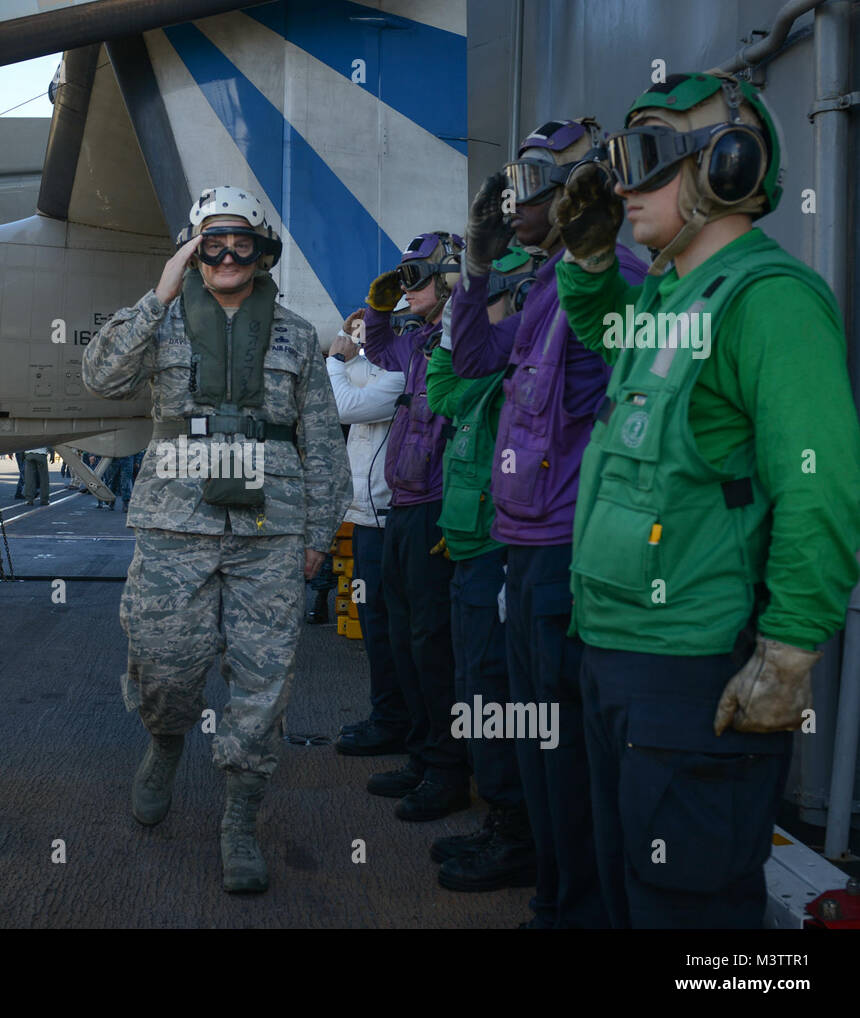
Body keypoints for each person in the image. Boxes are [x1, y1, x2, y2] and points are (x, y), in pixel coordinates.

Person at [552, 72, 860, 928]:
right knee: (632, 891)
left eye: (645, 158)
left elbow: (820, 482)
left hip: (691, 675)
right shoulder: (669, 293)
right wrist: (585, 261)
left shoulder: (771, 302)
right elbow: (605, 337)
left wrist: (791, 650)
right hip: (617, 654)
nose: (620, 185)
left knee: (690, 914)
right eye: (617, 161)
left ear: (726, 166)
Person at [81, 185, 350, 892]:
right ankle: (165, 741)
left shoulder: (295, 334)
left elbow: (320, 439)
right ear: (192, 248)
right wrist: (157, 293)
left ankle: (239, 819)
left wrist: (319, 531)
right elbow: (102, 377)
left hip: (271, 529)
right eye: (212, 242)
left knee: (264, 685)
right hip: (177, 522)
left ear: (264, 253)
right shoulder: (162, 324)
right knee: (164, 664)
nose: (229, 256)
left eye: (244, 244)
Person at [450, 117, 647, 929]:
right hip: (522, 547)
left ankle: (577, 911)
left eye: (526, 183)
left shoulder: (614, 276)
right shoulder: (538, 287)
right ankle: (550, 894)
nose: (510, 200)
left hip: (566, 552)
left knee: (566, 755)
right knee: (538, 746)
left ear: (574, 191)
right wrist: (475, 266)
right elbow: (469, 361)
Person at [424, 245, 543, 892]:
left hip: (497, 549)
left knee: (497, 697)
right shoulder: (483, 361)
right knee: (477, 690)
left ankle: (515, 830)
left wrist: (475, 333)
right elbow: (441, 389)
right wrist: (455, 328)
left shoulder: (508, 364)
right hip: (471, 547)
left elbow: (449, 389)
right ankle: (501, 817)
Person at [360, 231, 470, 821]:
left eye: (415, 278)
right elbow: (376, 350)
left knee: (433, 644)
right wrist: (380, 308)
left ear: (451, 279)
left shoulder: (465, 340)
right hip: (403, 506)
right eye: (403, 278)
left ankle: (449, 769)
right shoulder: (416, 342)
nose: (406, 289)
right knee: (405, 636)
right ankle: (423, 756)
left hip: (437, 509)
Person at [325, 309, 410, 755]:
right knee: (376, 624)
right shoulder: (373, 367)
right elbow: (327, 393)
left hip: (389, 515)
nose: (365, 335)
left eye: (371, 327)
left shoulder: (399, 371)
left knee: (390, 624)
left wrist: (337, 359)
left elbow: (342, 403)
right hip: (366, 516)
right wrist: (342, 343)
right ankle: (387, 715)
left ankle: (396, 720)